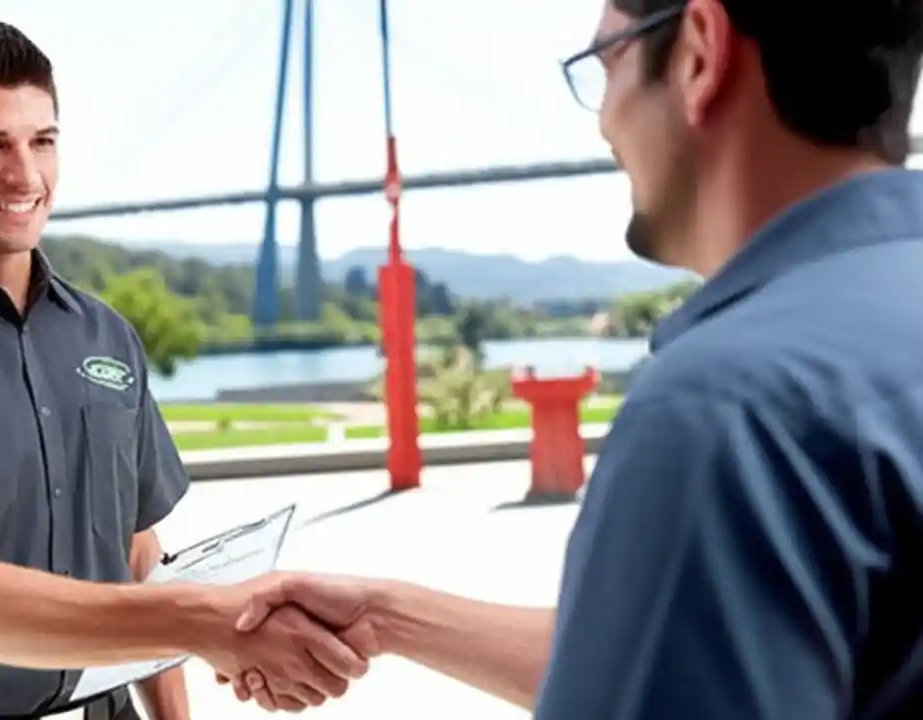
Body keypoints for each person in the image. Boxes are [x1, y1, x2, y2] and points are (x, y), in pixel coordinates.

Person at [226, 0, 923, 717]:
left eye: (607, 59)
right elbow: (696, 647)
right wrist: (390, 616)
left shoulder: (727, 412)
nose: (602, 117)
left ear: (697, 54)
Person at [0, 19, 367, 720]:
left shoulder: (106, 336)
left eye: (43, 141)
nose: (25, 175)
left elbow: (136, 557)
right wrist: (207, 619)